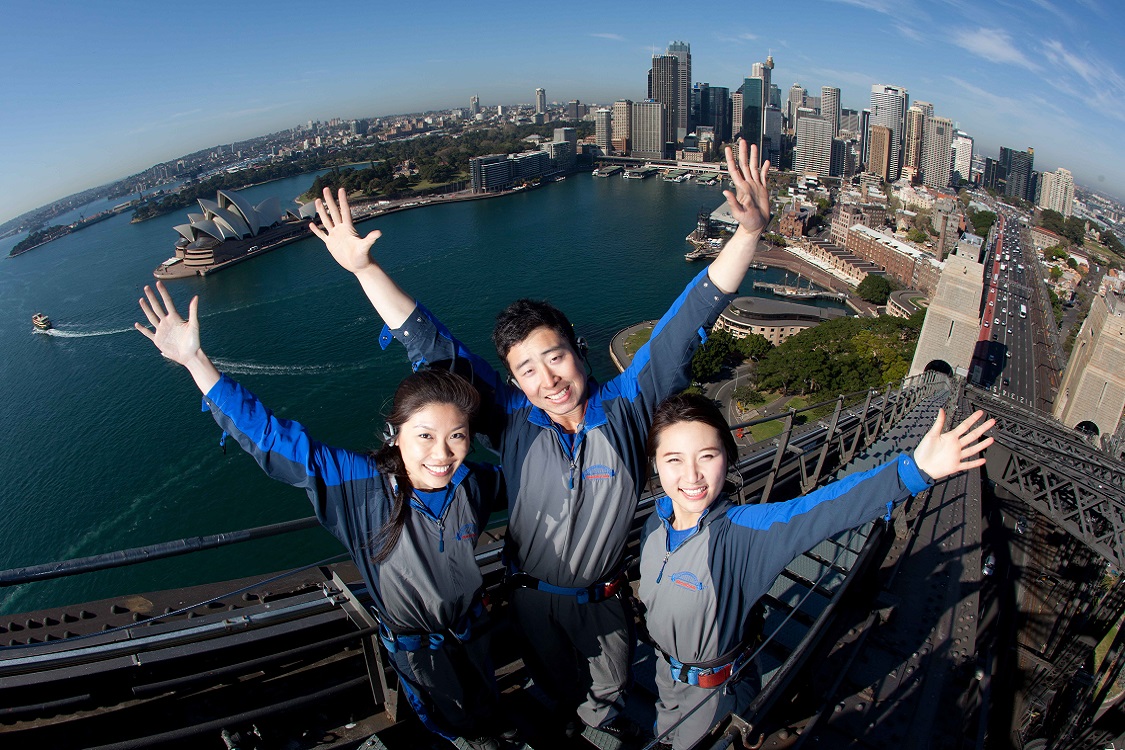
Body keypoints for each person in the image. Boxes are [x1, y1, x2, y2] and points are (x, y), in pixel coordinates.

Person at [309, 139, 772, 742]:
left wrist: (747, 234)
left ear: (577, 350)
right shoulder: (514, 420)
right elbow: (431, 345)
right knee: (551, 692)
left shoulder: (628, 408)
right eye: (526, 369)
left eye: (554, 358)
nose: (546, 379)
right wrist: (366, 269)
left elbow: (688, 321)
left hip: (601, 602)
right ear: (514, 380)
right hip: (527, 599)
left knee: (604, 701)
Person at [133, 282, 506, 750]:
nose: (443, 453)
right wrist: (195, 362)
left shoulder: (473, 482)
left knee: (485, 700)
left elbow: (533, 476)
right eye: (426, 436)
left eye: (457, 436)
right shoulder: (362, 486)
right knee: (447, 721)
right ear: (395, 435)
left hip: (474, 628)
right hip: (419, 648)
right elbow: (275, 439)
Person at [638, 393, 995, 749]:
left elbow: (822, 510)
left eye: (707, 456)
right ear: (655, 463)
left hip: (714, 695)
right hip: (664, 677)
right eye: (674, 459)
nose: (692, 476)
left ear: (727, 457)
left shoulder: (743, 534)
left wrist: (914, 470)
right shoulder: (655, 522)